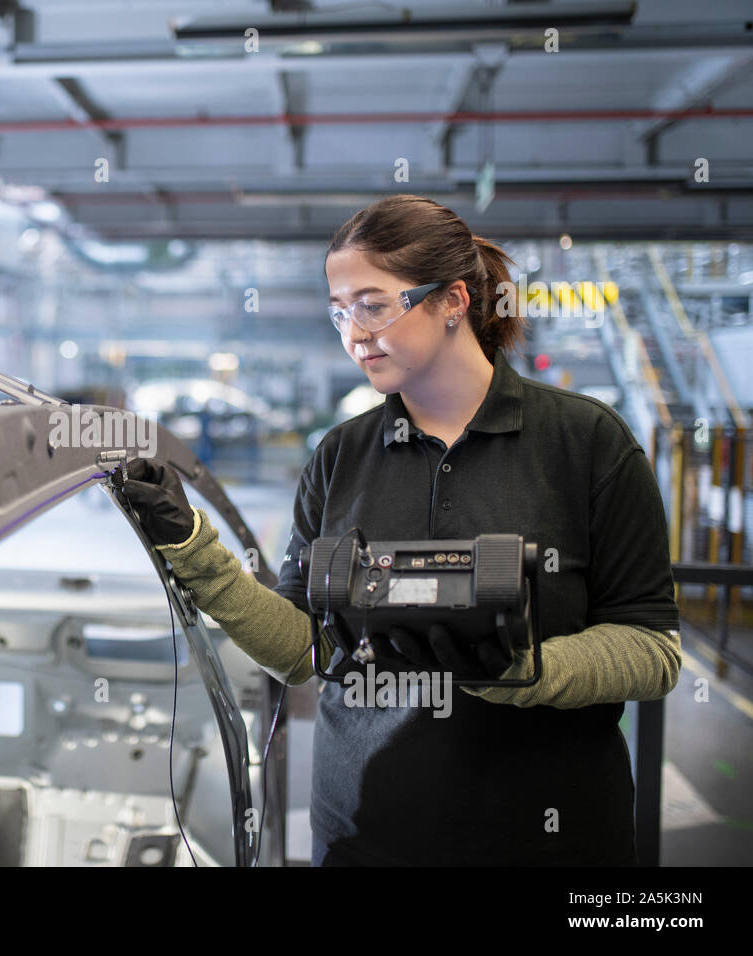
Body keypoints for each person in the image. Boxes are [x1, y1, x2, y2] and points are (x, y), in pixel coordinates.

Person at [120, 195, 681, 866]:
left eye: (373, 303)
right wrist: (191, 546)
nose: (352, 332)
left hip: (546, 836)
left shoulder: (584, 442)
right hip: (362, 835)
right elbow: (303, 648)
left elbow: (653, 649)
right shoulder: (341, 456)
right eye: (338, 310)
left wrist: (522, 670)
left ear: (453, 300)